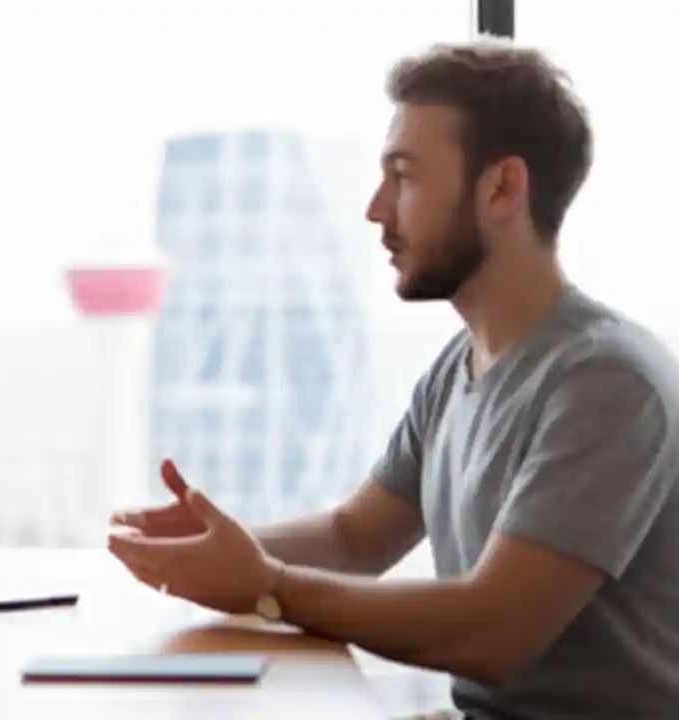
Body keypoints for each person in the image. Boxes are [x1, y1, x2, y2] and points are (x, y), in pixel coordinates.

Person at [109, 39, 679, 720]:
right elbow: (356, 538)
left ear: (502, 188)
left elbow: (493, 630)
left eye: (404, 176)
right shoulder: (458, 367)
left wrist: (265, 584)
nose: (376, 209)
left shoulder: (607, 384)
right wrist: (209, 547)